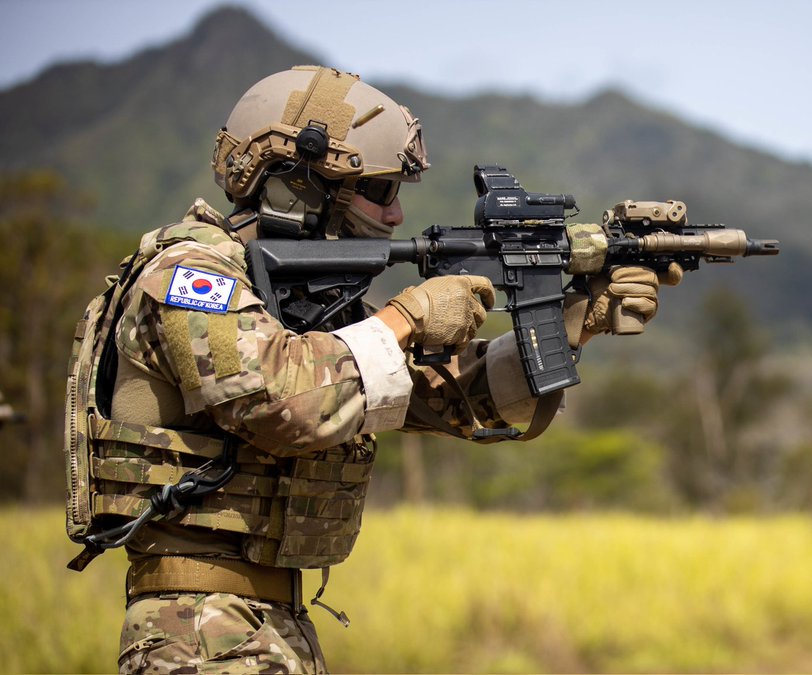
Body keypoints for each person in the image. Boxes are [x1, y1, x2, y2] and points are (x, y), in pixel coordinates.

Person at [64, 66, 680, 673]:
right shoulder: (188, 276)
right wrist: (406, 317)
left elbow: (445, 400)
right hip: (197, 631)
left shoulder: (304, 308)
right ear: (297, 182)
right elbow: (284, 403)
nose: (394, 216)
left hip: (259, 623)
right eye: (380, 191)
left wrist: (576, 320)